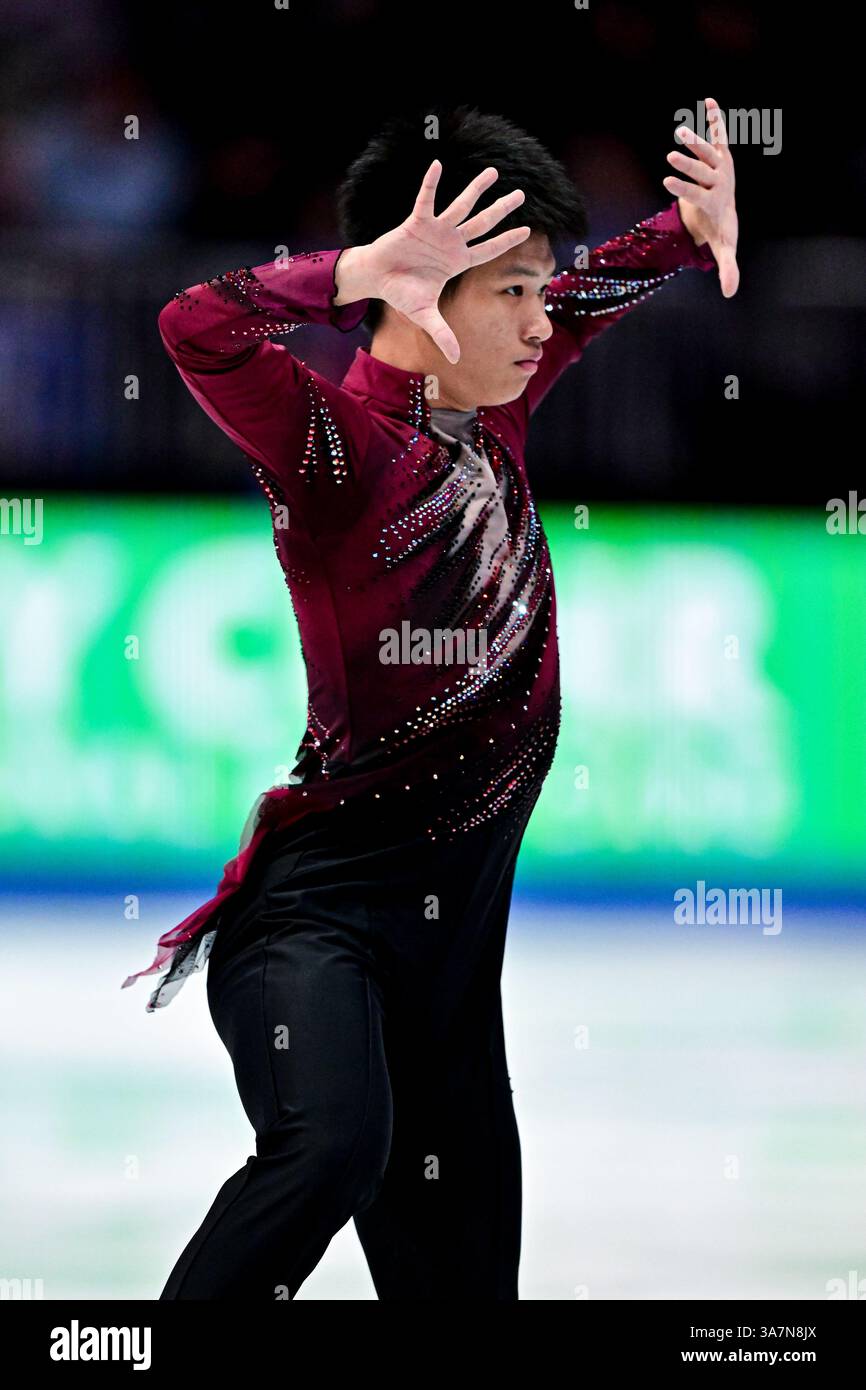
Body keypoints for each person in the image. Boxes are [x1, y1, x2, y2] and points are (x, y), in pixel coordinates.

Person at [123, 102, 737, 1300]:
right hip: (314, 933)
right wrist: (343, 272)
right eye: (508, 290)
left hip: (446, 982)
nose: (540, 315)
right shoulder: (336, 446)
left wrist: (683, 226)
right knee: (329, 1149)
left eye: (538, 287)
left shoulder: (491, 404)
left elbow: (606, 279)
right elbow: (194, 329)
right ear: (417, 292)